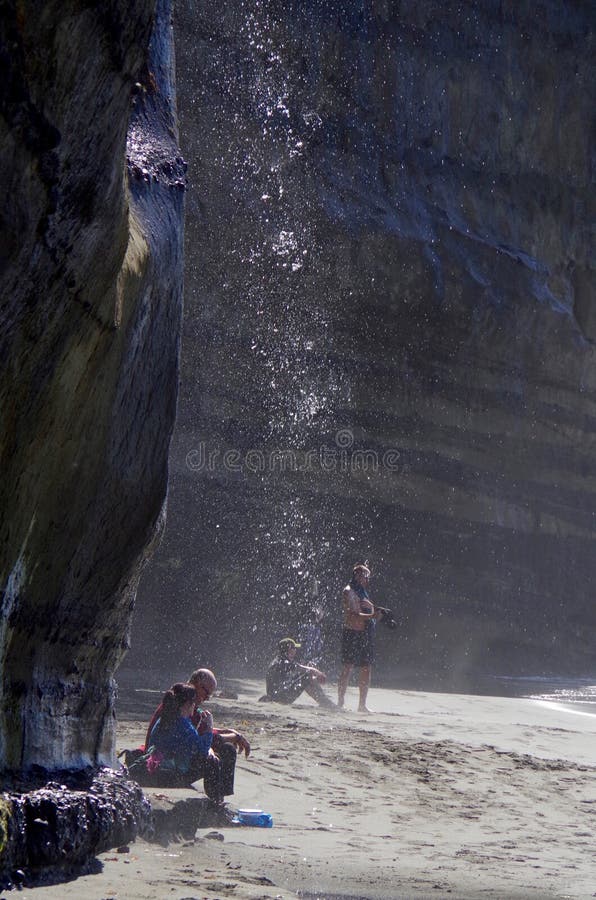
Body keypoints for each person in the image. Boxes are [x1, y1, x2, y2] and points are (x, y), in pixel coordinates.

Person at [140, 682, 234, 803]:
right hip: (170, 775)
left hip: (158, 769)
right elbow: (202, 749)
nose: (195, 707)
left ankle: (218, 798)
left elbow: (189, 741)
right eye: (193, 703)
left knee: (219, 753)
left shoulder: (168, 718)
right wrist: (209, 726)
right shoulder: (182, 723)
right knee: (211, 760)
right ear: (188, 704)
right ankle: (217, 802)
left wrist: (201, 726)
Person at [144, 668, 251, 758]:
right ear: (197, 684)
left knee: (220, 750)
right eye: (207, 693)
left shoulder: (179, 701)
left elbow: (197, 732)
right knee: (227, 750)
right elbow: (202, 741)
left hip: (166, 757)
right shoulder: (180, 708)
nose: (207, 698)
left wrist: (226, 731)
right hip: (167, 764)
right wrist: (236, 737)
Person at [338, 563, 381, 713]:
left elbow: (367, 609)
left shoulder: (363, 592)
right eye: (365, 576)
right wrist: (372, 615)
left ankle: (362, 705)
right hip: (352, 632)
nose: (367, 580)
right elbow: (352, 614)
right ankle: (340, 702)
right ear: (357, 575)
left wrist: (379, 613)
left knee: (366, 668)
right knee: (348, 667)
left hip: (365, 634)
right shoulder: (349, 591)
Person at [260, 637, 336, 708]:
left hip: (276, 696)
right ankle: (324, 702)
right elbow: (307, 670)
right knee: (307, 676)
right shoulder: (284, 661)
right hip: (280, 698)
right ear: (289, 649)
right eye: (294, 648)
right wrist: (319, 673)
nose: (296, 650)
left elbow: (297, 671)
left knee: (304, 676)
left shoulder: (279, 660)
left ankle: (323, 700)